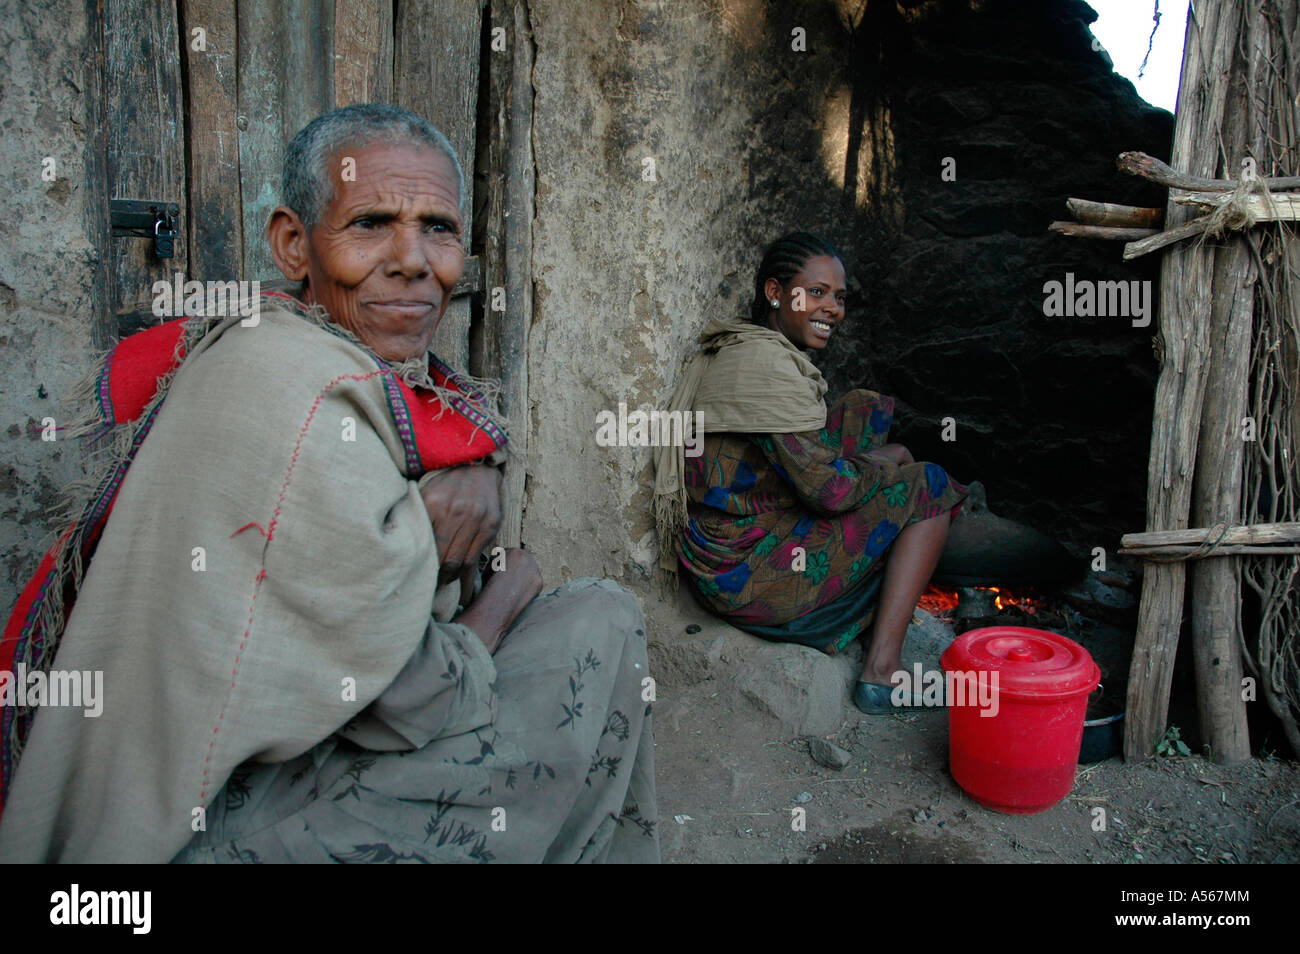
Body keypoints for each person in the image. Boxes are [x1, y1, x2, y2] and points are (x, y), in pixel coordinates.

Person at [0, 103, 657, 863]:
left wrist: (467, 487)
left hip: (180, 791)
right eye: (372, 222)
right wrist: (512, 590)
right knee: (602, 621)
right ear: (292, 243)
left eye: (438, 229)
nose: (413, 260)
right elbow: (409, 704)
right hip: (194, 834)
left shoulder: (283, 344)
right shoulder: (306, 395)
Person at [654, 231, 968, 715]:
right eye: (816, 292)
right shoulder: (766, 371)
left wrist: (882, 456)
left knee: (862, 409)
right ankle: (882, 672)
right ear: (775, 292)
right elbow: (831, 492)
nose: (833, 309)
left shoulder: (747, 348)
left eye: (839, 297)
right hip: (745, 575)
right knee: (929, 484)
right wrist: (890, 462)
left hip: (733, 541)